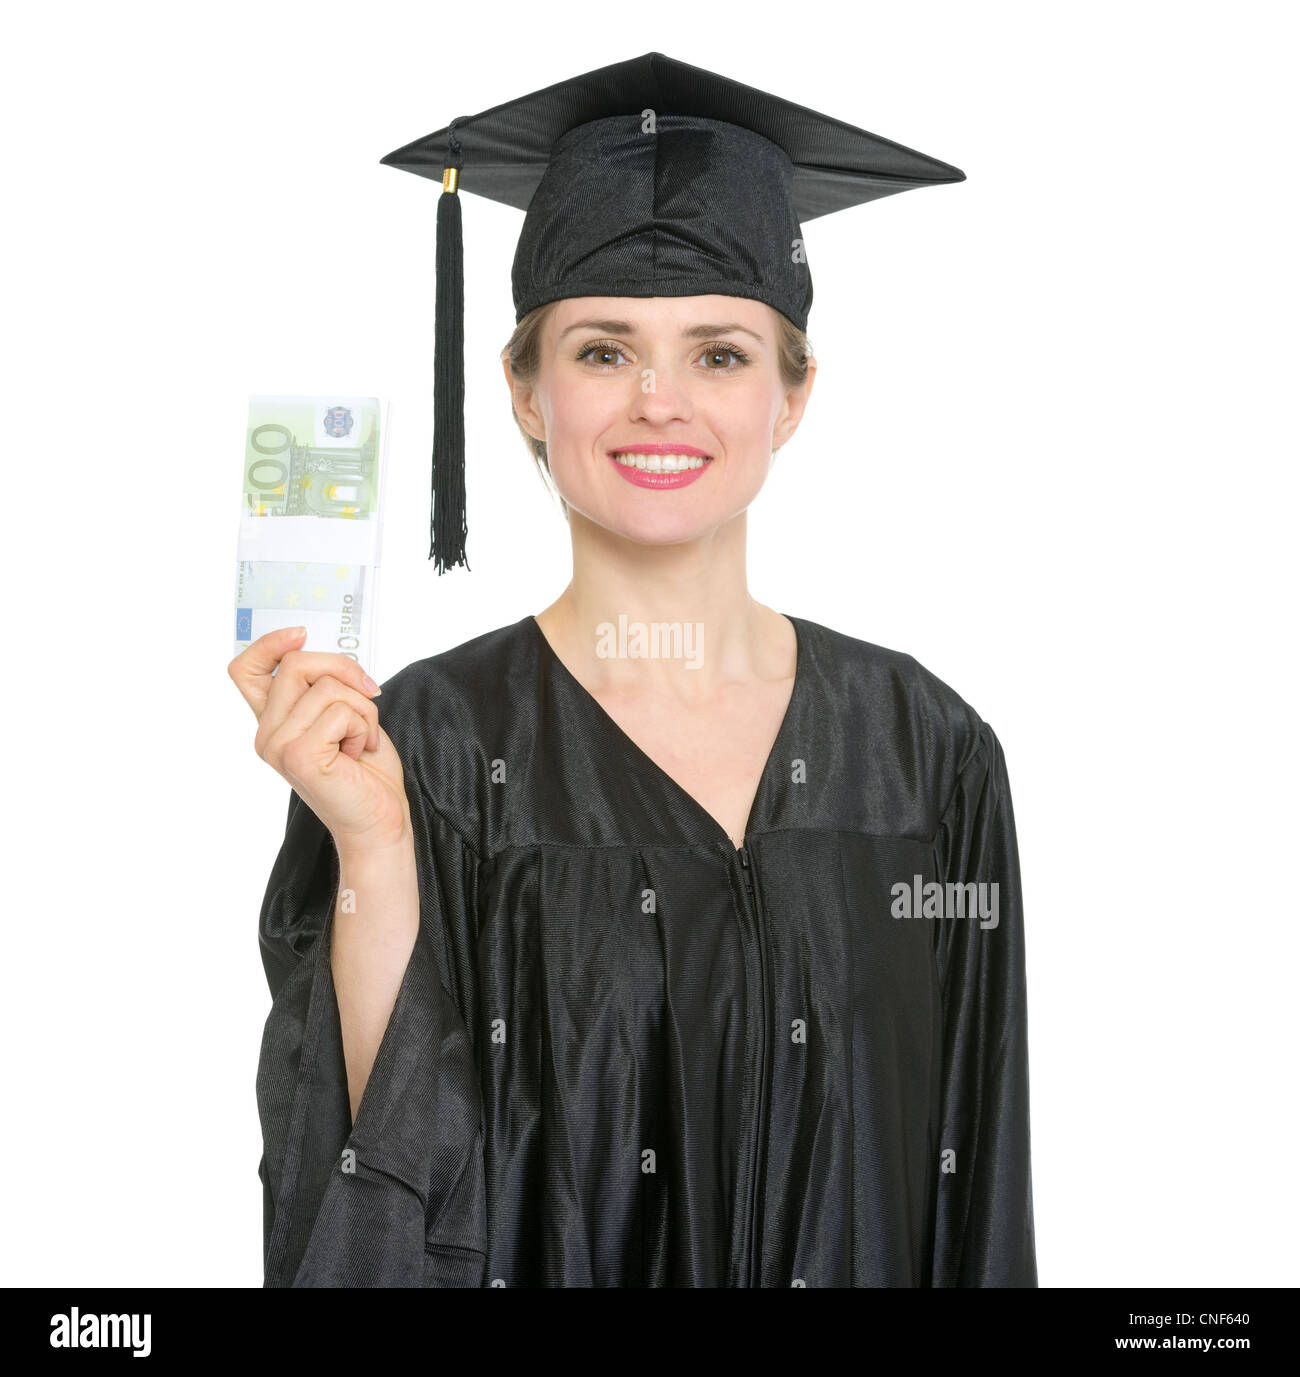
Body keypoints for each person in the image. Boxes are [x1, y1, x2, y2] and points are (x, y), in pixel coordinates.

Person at [229, 53, 1036, 1287]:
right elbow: (371, 1183)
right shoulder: (429, 745)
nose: (660, 402)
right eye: (603, 351)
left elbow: (975, 1181)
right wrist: (378, 852)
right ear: (523, 391)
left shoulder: (923, 751)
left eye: (719, 355)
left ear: (793, 394)